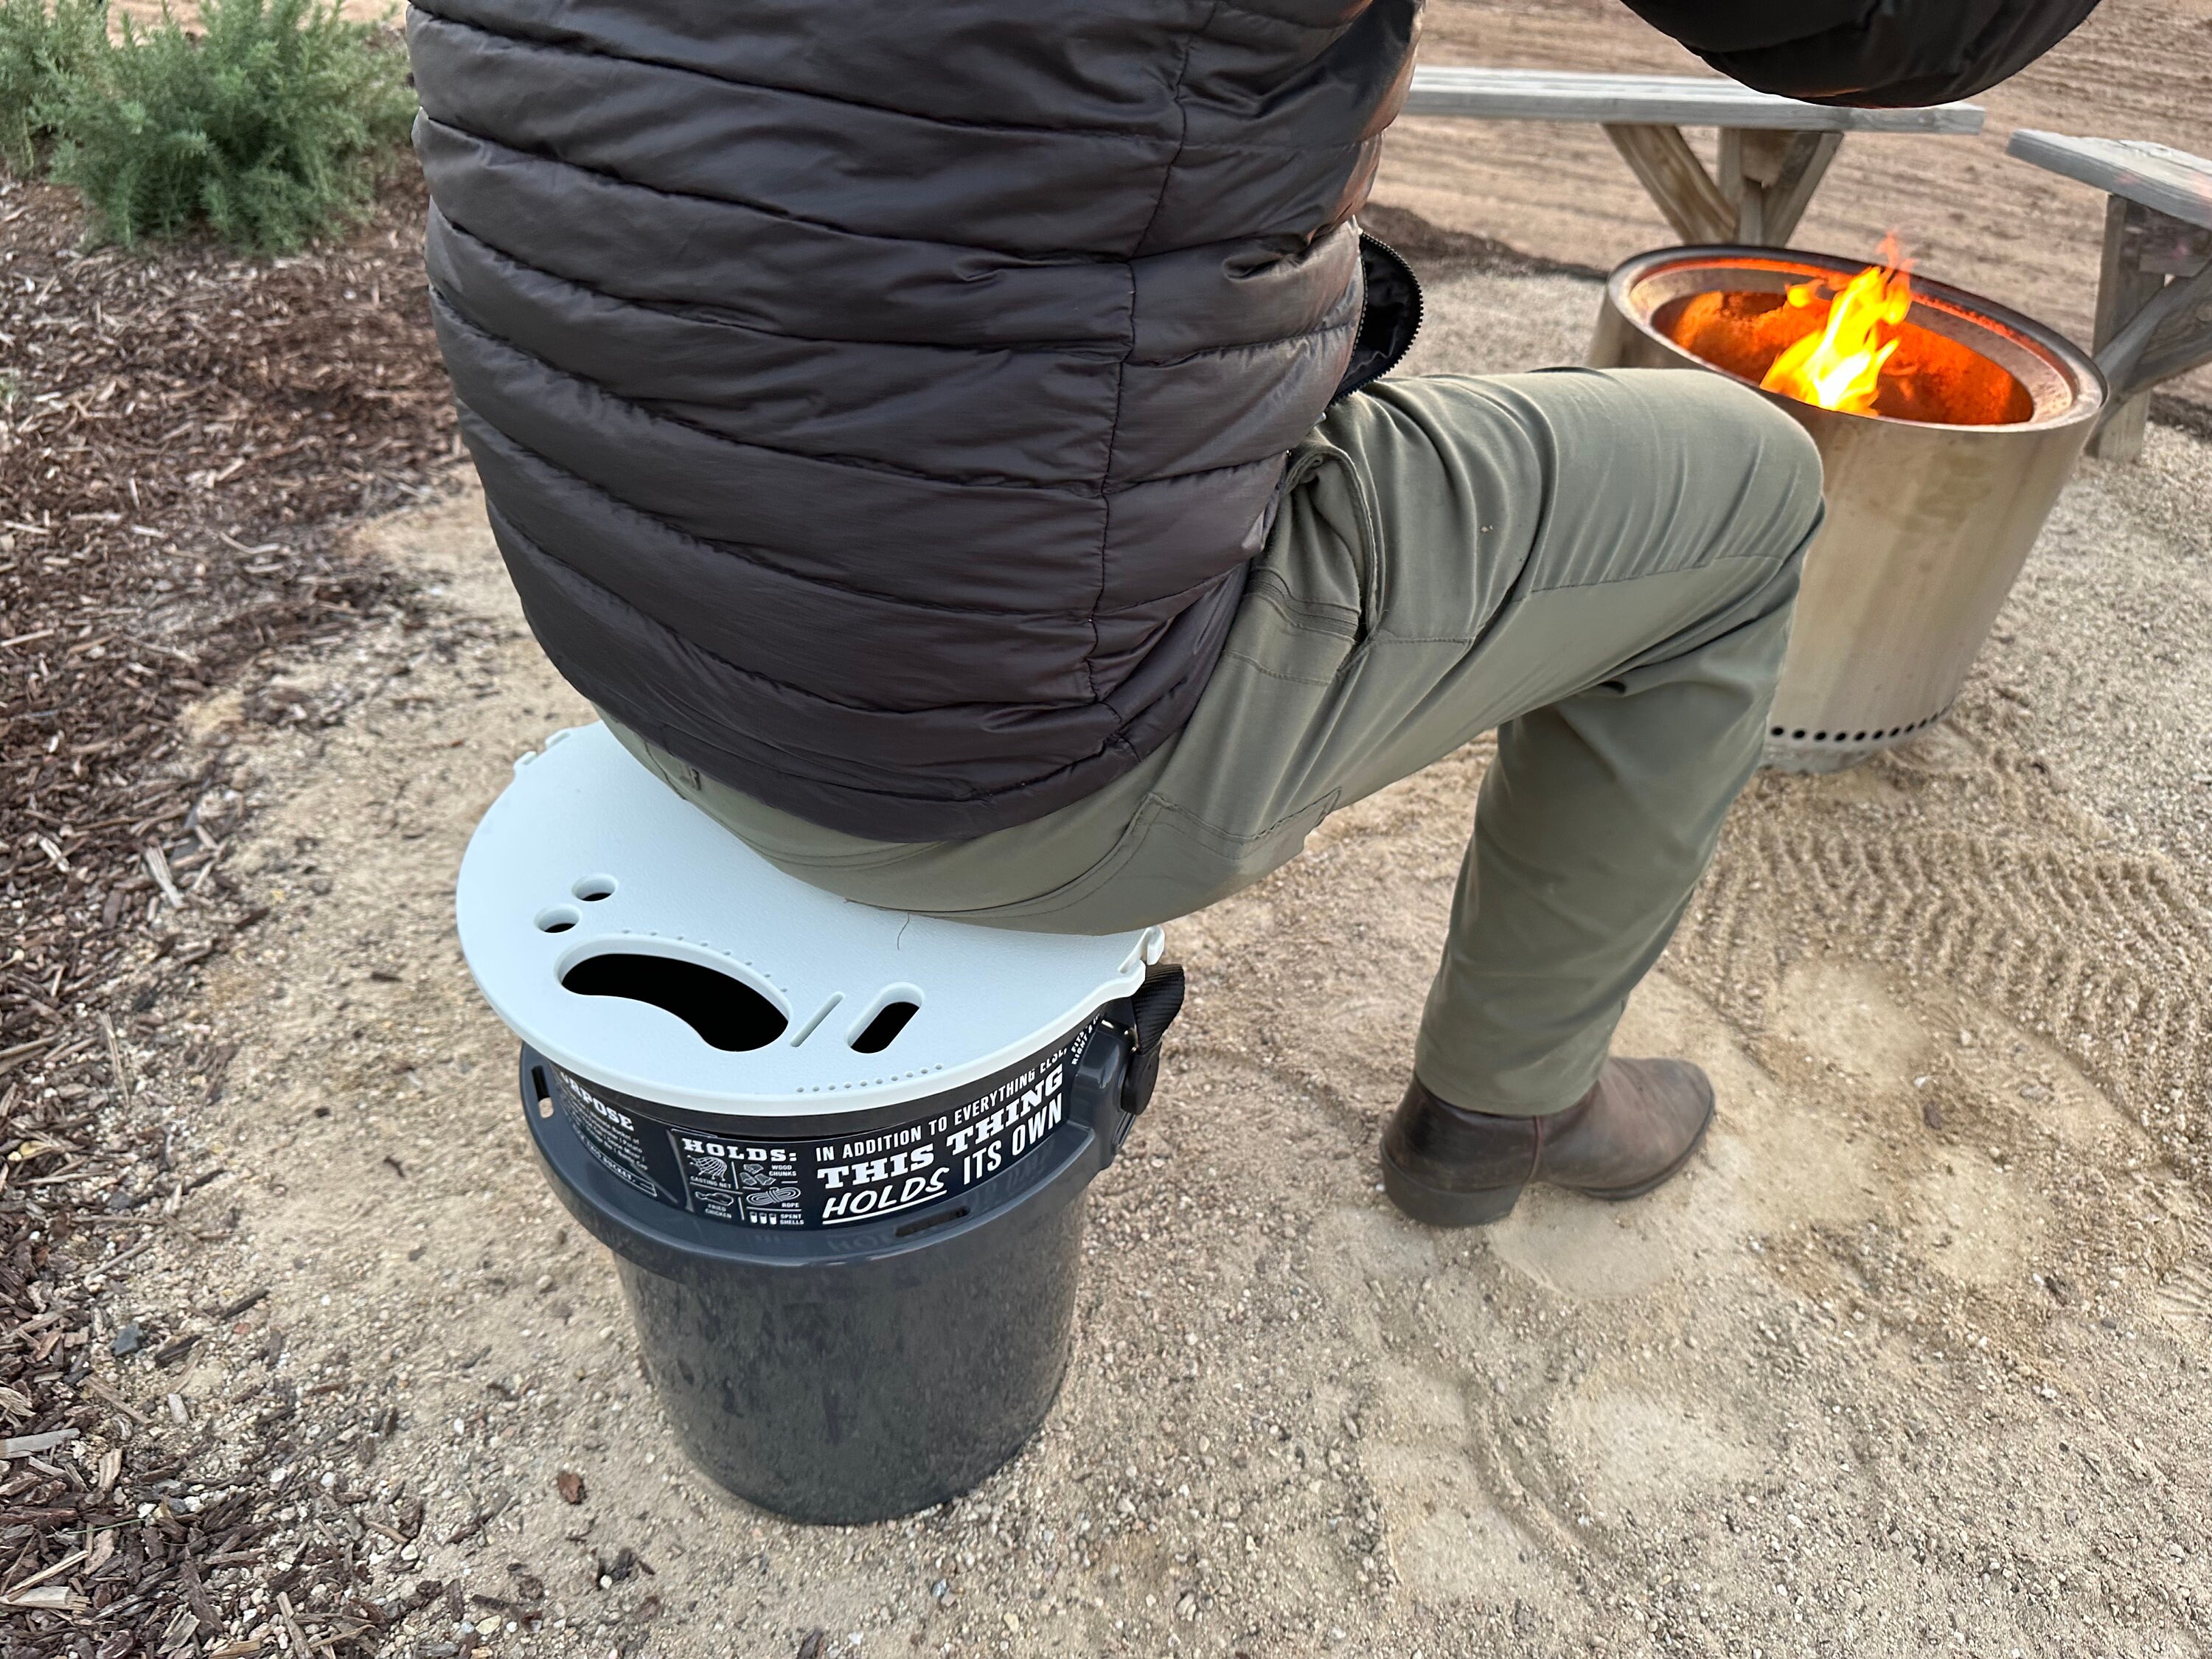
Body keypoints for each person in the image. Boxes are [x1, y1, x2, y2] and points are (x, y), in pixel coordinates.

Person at [408, 0, 2101, 1226]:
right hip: (1023, 770)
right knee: (1744, 488)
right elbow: (1893, 26)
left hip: (630, 631)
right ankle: (1508, 1113)